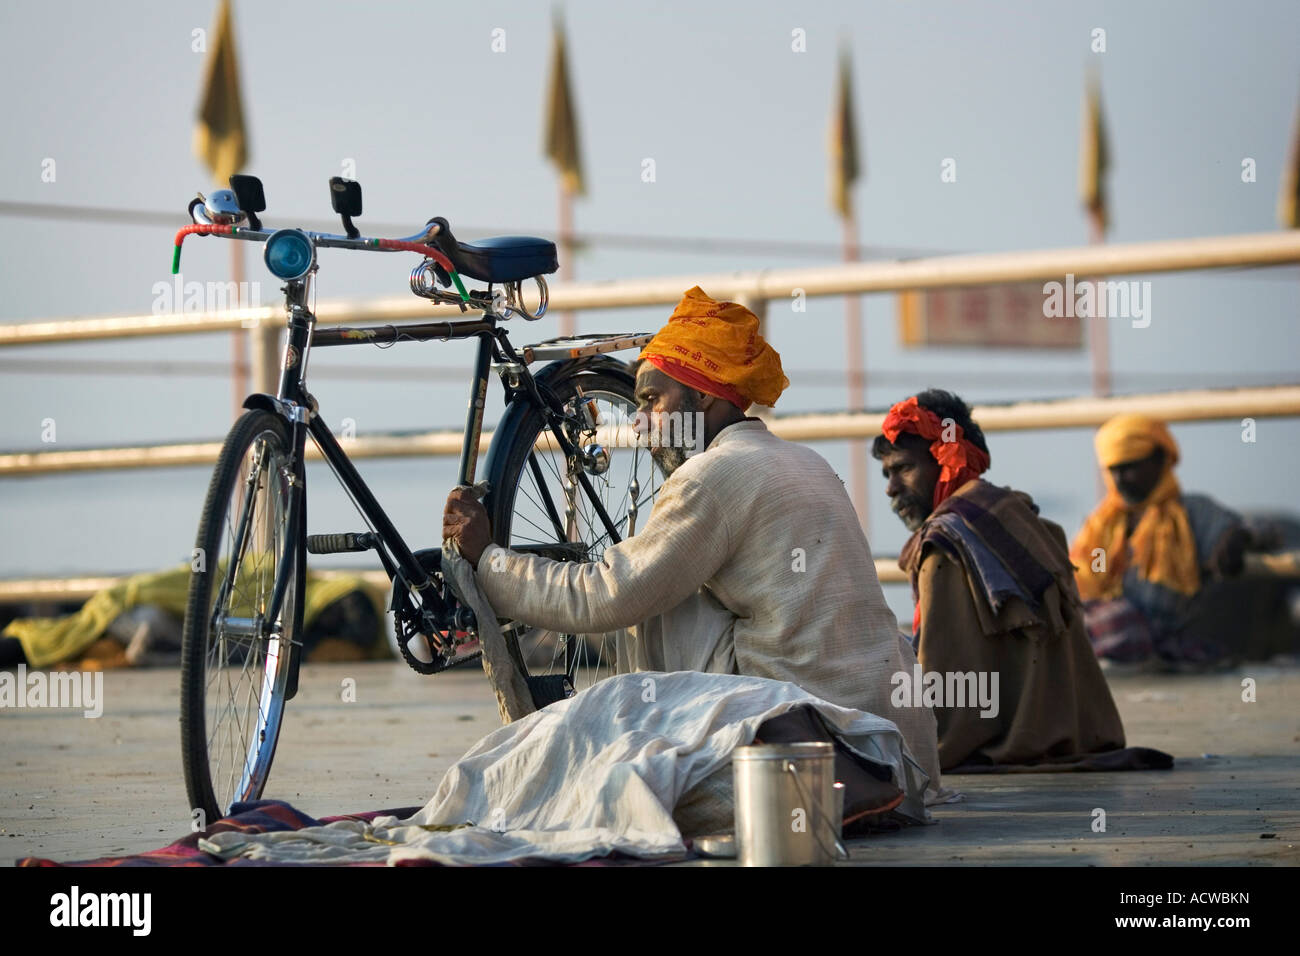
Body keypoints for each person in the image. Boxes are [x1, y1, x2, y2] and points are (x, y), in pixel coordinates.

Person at [443, 285, 941, 793]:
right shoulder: (808, 461)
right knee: (667, 576)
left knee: (654, 594)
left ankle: (656, 747)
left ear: (703, 394)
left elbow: (608, 595)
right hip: (897, 757)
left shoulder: (713, 474)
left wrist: (488, 559)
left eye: (652, 400)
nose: (639, 424)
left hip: (814, 758)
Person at [872, 390, 1126, 771]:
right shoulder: (1025, 518)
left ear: (945, 459)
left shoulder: (942, 547)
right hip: (1076, 732)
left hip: (994, 742)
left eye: (904, 468)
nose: (891, 488)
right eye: (887, 474)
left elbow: (944, 701)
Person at [1070, 414, 1253, 669]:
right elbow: (1091, 576)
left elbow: (1251, 530)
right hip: (1100, 631)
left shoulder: (1192, 513)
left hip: (1154, 635)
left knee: (1119, 624)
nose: (1121, 479)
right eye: (1114, 470)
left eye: (1130, 467)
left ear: (1159, 459)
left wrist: (1237, 537)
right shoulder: (1103, 524)